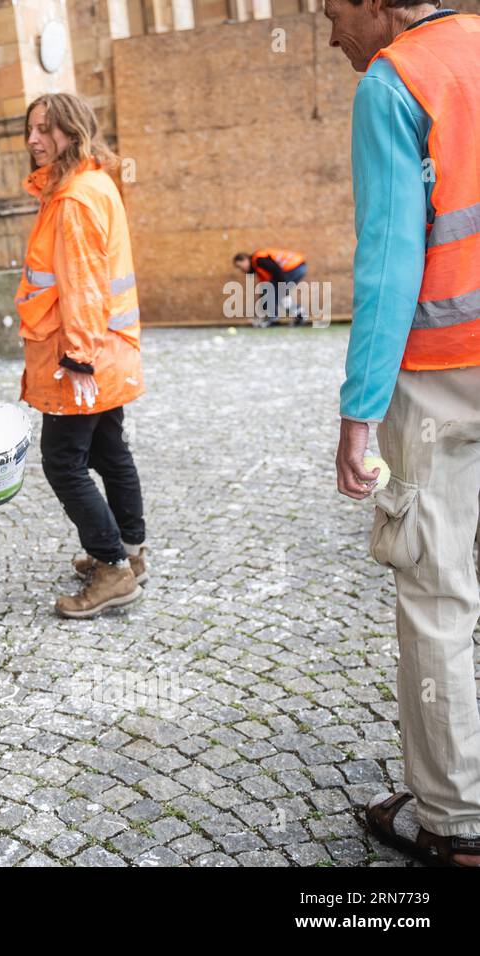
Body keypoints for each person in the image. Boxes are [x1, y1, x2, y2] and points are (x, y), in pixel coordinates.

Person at [326, 0, 480, 866]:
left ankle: (458, 823)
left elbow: (390, 256)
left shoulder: (397, 82)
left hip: (443, 371)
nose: (329, 30)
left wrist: (359, 415)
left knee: (436, 589)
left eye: (332, 9)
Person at [16, 92, 148, 620]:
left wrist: (77, 359)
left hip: (83, 359)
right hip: (109, 352)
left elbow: (84, 285)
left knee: (63, 462)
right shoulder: (94, 184)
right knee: (110, 450)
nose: (33, 140)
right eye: (30, 130)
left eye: (45, 129)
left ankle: (112, 566)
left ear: (73, 130)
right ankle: (130, 552)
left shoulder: (72, 197)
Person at [232, 249, 309, 326]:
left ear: (245, 260)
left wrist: (284, 293)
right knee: (273, 295)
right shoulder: (257, 266)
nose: (241, 269)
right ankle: (298, 314)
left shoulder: (259, 260)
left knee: (277, 295)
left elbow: (277, 271)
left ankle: (274, 319)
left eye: (240, 266)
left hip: (294, 267)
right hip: (298, 266)